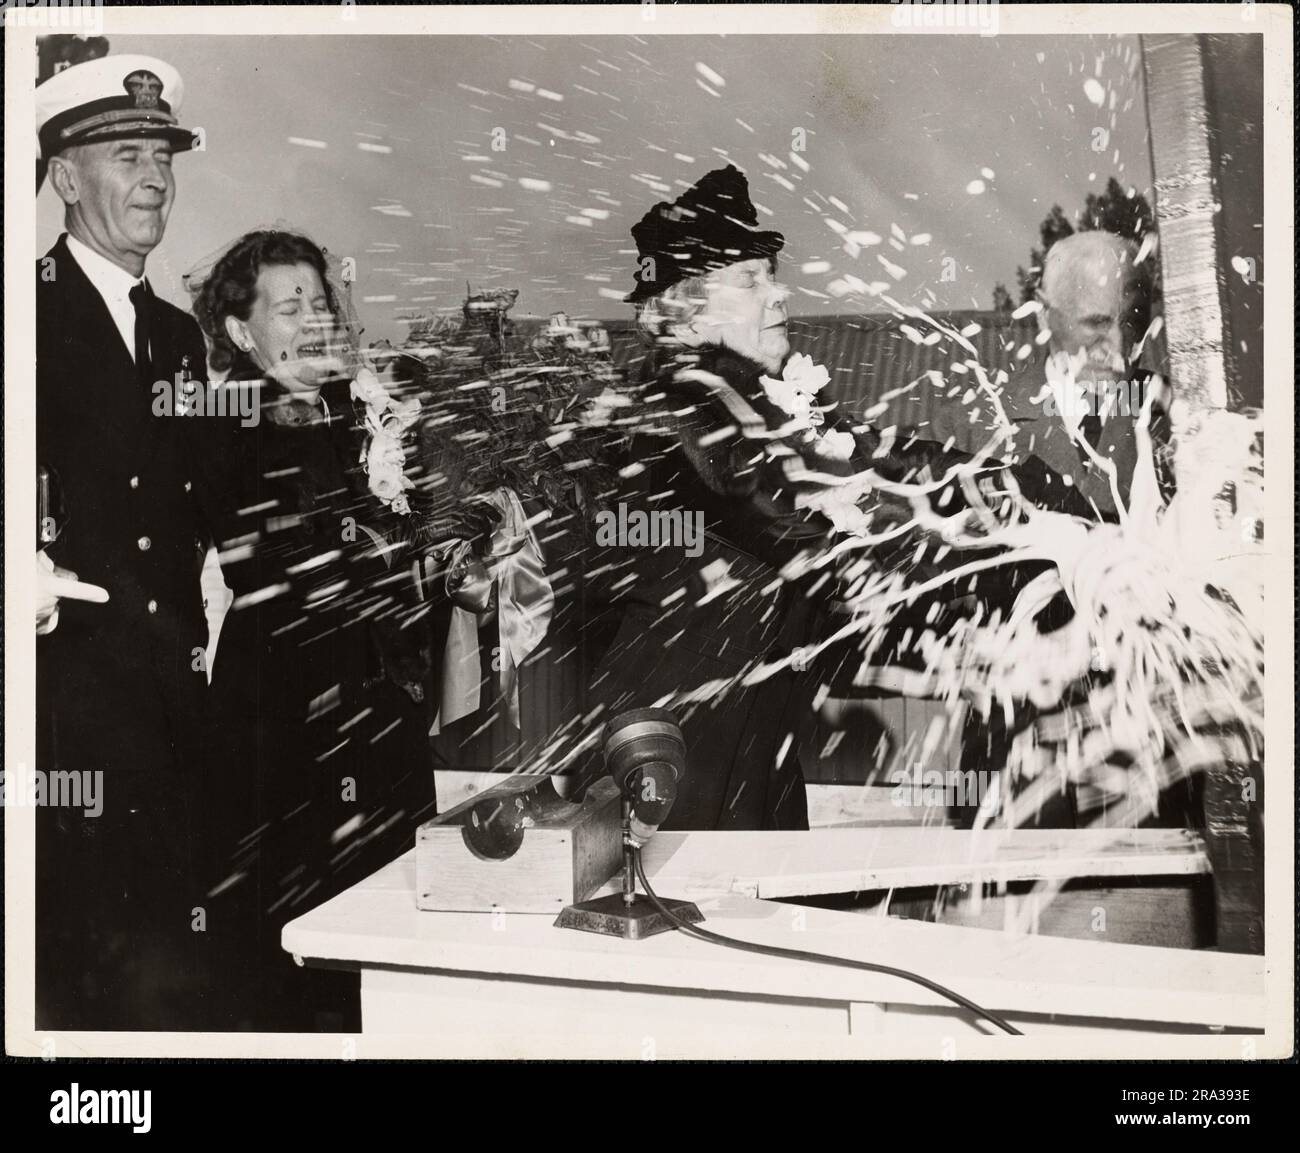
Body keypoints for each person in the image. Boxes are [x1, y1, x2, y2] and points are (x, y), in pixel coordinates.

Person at [188, 229, 477, 1030]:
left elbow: (416, 547)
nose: (317, 317)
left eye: (321, 299)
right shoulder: (233, 427)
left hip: (378, 724)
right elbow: (288, 573)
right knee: (302, 959)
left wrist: (453, 539)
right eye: (290, 305)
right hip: (285, 733)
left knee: (389, 950)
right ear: (243, 332)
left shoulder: (357, 412)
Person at [34, 54, 218, 1030]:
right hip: (67, 710)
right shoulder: (22, 318)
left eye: (164, 156)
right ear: (65, 175)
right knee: (76, 970)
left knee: (168, 965)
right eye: (128, 155)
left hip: (172, 703)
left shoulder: (183, 339)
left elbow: (205, 510)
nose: (156, 178)